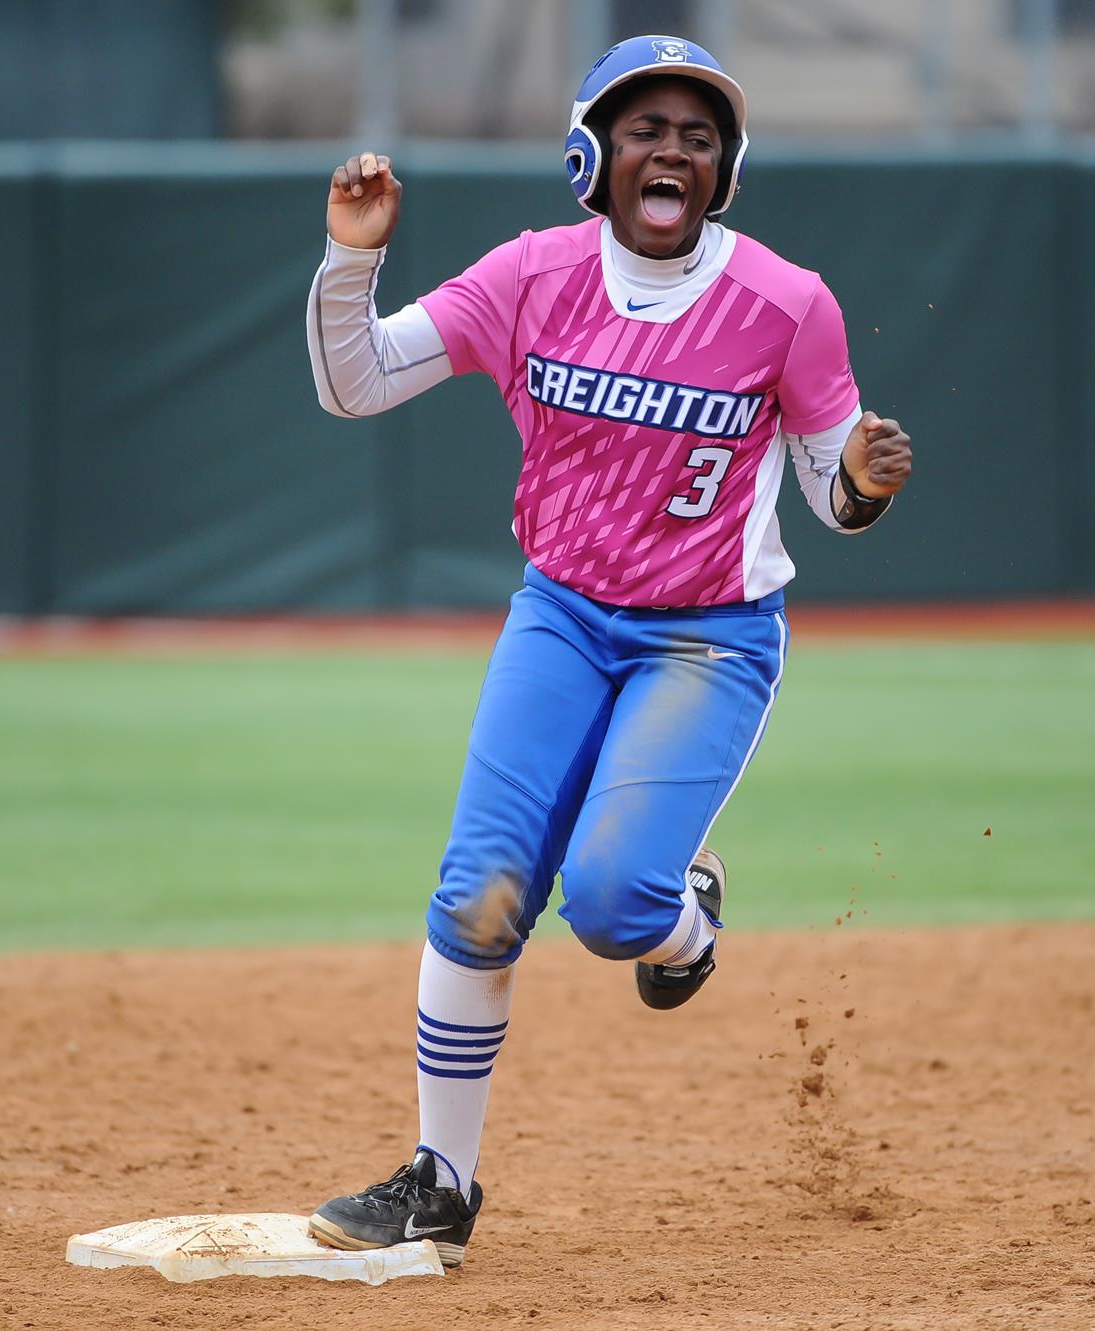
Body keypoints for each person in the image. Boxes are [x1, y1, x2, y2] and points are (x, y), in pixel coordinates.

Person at [302, 35, 914, 1268]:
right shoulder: (528, 277)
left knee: (616, 901)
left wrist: (859, 484)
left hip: (706, 634)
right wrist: (350, 258)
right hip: (562, 616)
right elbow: (353, 386)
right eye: (646, 127)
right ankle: (440, 1180)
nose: (671, 149)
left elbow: (831, 493)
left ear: (723, 168)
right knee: (479, 897)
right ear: (593, 153)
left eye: (697, 133)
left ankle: (683, 918)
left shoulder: (785, 302)